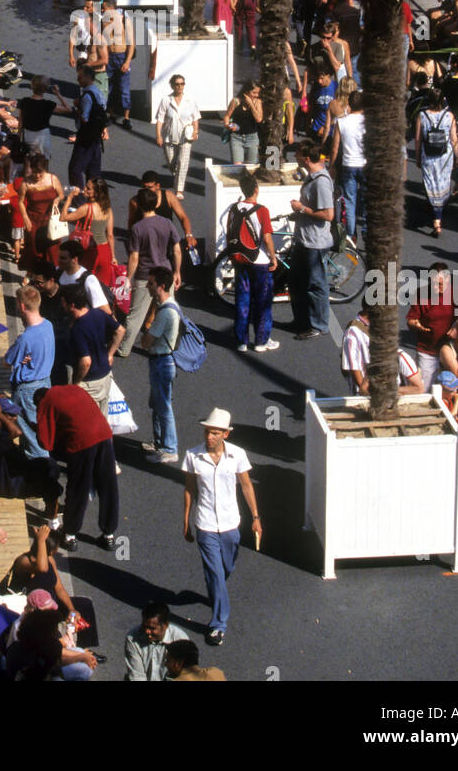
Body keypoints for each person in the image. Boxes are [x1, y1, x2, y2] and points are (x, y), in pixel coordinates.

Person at [182, 408, 261, 647]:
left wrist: (256, 517)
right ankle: (218, 625)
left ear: (225, 434)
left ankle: (216, 592)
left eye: (215, 433)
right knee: (216, 573)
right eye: (207, 432)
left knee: (226, 567)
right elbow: (189, 489)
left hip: (230, 524)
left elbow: (246, 486)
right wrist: (186, 520)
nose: (209, 437)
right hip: (205, 524)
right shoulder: (193, 456)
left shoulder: (237, 456)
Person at [35, 384, 119, 552]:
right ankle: (108, 535)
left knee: (78, 489)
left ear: (39, 401)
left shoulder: (46, 402)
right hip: (104, 434)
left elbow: (45, 442)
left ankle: (70, 535)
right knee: (108, 486)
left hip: (82, 443)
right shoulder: (74, 389)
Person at [120, 188, 182, 358]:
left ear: (139, 205)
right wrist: (177, 272)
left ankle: (124, 348)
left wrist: (128, 278)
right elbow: (176, 250)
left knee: (135, 316)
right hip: (165, 273)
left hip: (144, 275)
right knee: (171, 311)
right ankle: (171, 345)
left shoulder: (137, 228)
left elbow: (134, 257)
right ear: (156, 204)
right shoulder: (167, 223)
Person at [288, 141, 335, 340]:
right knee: (296, 282)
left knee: (315, 285)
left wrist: (301, 209)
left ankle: (318, 325)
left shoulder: (321, 182)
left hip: (315, 242)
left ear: (307, 159)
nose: (295, 157)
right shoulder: (312, 177)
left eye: (298, 155)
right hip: (303, 239)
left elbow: (328, 214)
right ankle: (302, 320)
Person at [229, 171, 279, 353]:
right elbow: (266, 238)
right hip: (260, 261)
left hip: (240, 259)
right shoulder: (262, 210)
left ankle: (241, 340)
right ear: (256, 190)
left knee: (243, 299)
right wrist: (273, 257)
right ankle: (261, 341)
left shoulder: (234, 208)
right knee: (263, 302)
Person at [7, 285, 56, 456]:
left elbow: (8, 361)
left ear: (21, 306)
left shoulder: (25, 338)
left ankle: (42, 472)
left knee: (33, 437)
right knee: (40, 429)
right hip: (45, 383)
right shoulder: (48, 325)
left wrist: (20, 356)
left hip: (27, 390)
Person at [63, 282, 124, 417]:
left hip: (90, 382)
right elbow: (120, 330)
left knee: (87, 421)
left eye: (63, 302)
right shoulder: (98, 314)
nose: (61, 305)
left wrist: (77, 382)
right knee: (103, 419)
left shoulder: (78, 329)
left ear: (71, 305)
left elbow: (86, 361)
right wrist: (110, 354)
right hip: (105, 376)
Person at [140, 266, 181, 461]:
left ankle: (170, 449)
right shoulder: (169, 306)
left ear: (161, 286)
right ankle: (159, 443)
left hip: (162, 362)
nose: (148, 286)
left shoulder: (165, 312)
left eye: (151, 283)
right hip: (163, 361)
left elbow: (146, 341)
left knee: (163, 406)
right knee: (157, 404)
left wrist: (147, 331)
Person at [340, 310, 423, 395]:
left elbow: (419, 389)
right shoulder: (375, 365)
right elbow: (363, 389)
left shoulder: (402, 358)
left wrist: (391, 392)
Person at [415, 89, 458, 237]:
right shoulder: (449, 116)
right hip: (444, 157)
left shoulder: (422, 116)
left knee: (431, 185)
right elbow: (454, 139)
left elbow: (418, 139)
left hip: (428, 156)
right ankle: (438, 216)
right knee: (443, 184)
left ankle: (436, 217)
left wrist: (417, 157)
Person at [405, 263, 457, 389]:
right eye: (432, 283)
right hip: (427, 351)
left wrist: (456, 327)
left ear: (448, 279)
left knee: (452, 388)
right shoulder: (421, 294)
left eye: (439, 284)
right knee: (424, 389)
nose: (435, 287)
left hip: (450, 351)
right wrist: (415, 325)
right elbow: (411, 319)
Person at [155, 75, 200, 199]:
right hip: (168, 137)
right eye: (177, 84)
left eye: (182, 84)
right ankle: (179, 175)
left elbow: (195, 118)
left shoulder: (190, 100)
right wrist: (158, 136)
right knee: (171, 161)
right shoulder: (166, 100)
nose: (180, 86)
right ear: (172, 85)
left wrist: (196, 131)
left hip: (186, 137)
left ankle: (179, 190)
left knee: (183, 162)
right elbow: (160, 120)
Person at [330, 90, 366, 240]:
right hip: (365, 164)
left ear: (349, 104)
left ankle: (351, 235)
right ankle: (367, 229)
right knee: (367, 199)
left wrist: (332, 165)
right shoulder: (368, 122)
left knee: (350, 201)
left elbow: (335, 148)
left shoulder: (342, 122)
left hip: (348, 164)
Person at [67, 63, 107, 190]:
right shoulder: (99, 93)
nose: (78, 80)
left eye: (80, 77)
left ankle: (78, 198)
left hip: (85, 137)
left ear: (88, 77)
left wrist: (77, 107)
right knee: (93, 171)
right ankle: (95, 196)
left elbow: (85, 118)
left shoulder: (87, 96)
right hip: (96, 137)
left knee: (75, 169)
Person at [124, 602, 187, 681]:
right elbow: (137, 676)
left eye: (152, 628)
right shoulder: (133, 638)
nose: (147, 631)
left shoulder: (181, 642)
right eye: (144, 626)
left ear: (166, 625)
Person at [100, 0, 134, 129]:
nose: (102, 11)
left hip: (121, 56)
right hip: (109, 57)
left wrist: (127, 62)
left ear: (110, 8)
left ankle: (126, 118)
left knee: (124, 89)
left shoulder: (125, 20)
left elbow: (132, 44)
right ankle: (111, 115)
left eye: (104, 8)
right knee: (108, 88)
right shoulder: (104, 21)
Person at [223, 80, 264, 165]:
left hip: (252, 138)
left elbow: (259, 119)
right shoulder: (236, 101)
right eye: (254, 93)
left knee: (250, 166)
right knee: (237, 166)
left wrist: (251, 105)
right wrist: (228, 125)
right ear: (246, 92)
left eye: (258, 93)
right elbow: (227, 116)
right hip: (236, 137)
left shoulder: (258, 102)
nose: (256, 95)